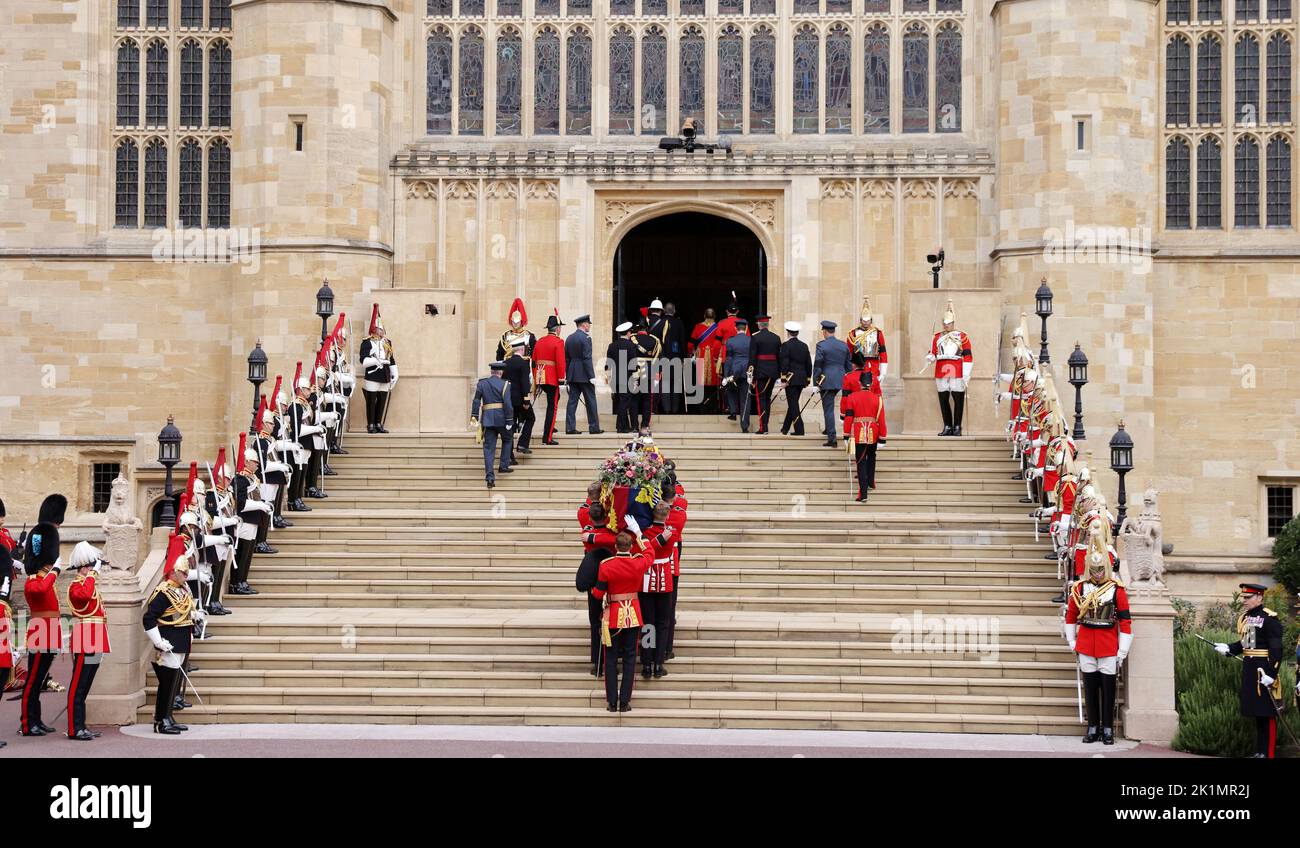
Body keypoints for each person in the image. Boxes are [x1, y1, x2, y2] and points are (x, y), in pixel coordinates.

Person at [1064, 524, 1132, 745]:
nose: (1097, 574)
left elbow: (1125, 620)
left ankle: (1107, 728)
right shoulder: (1080, 588)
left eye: (1100, 570)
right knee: (1091, 687)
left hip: (1108, 642)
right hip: (1086, 642)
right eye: (1094, 571)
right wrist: (1072, 640)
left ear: (1106, 568)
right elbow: (1071, 616)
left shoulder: (1116, 589)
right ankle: (1092, 726)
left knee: (1109, 688)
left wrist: (1122, 649)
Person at [1214, 583, 1285, 758]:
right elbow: (1248, 644)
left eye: (1248, 598)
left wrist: (1271, 674)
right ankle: (1259, 752)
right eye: (1243, 598)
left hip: (1263, 671)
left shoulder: (1269, 619)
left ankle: (1267, 754)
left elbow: (1276, 650)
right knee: (1257, 713)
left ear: (1259, 598)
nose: (1244, 601)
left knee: (1267, 714)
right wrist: (1229, 648)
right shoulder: (1250, 618)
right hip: (1251, 670)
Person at [144, 535, 202, 734]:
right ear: (174, 572)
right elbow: (149, 618)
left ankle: (168, 716)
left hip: (182, 639)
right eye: (183, 571)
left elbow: (181, 611)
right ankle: (160, 721)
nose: (186, 574)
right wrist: (159, 642)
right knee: (167, 684)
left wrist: (194, 614)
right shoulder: (163, 592)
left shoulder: (181, 589)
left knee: (174, 684)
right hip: (169, 641)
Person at [593, 528, 656, 712]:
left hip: (613, 615)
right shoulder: (638, 562)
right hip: (633, 615)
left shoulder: (606, 565)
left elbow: (599, 593)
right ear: (630, 546)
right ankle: (625, 701)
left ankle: (612, 701)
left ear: (615, 546)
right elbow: (650, 552)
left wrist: (593, 592)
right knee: (629, 658)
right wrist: (640, 535)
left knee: (611, 658)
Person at [20, 494, 65, 736]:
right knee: (32, 681)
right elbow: (41, 588)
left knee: (40, 680)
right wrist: (55, 571)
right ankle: (27, 723)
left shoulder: (45, 577)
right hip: (40, 633)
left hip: (49, 633)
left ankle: (36, 720)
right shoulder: (34, 581)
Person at [66, 542, 110, 741]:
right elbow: (83, 597)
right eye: (91, 567)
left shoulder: (87, 584)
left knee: (86, 684)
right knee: (79, 684)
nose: (95, 571)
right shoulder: (76, 586)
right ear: (84, 568)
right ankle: (74, 728)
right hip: (85, 638)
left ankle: (81, 725)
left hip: (96, 637)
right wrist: (92, 575)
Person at [638, 504, 677, 680]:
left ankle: (647, 662)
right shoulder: (670, 531)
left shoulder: (645, 533)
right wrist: (662, 537)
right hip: (664, 580)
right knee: (662, 624)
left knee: (648, 623)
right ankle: (657, 663)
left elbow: (645, 548)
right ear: (667, 515)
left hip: (646, 581)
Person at [579, 503, 617, 677]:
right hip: (611, 583)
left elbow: (590, 538)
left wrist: (593, 538)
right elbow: (613, 541)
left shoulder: (588, 532)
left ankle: (597, 662)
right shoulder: (612, 533)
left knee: (596, 623)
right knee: (611, 623)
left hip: (595, 585)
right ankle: (610, 661)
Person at [925, 300, 973, 436]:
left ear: (953, 323)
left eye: (949, 323)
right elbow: (933, 352)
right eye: (944, 323)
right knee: (943, 397)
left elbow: (968, 355)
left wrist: (966, 373)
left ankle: (957, 426)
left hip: (957, 368)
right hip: (941, 368)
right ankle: (947, 425)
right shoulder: (936, 337)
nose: (946, 326)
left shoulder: (962, 336)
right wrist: (930, 357)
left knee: (958, 397)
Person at [232, 433, 271, 595]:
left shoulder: (252, 478)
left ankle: (243, 580)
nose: (257, 465)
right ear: (247, 462)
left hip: (253, 519)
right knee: (242, 553)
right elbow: (240, 503)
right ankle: (236, 583)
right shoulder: (241, 479)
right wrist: (259, 505)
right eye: (255, 462)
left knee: (248, 554)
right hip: (244, 520)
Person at [842, 372, 887, 503]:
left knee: (861, 461)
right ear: (871, 384)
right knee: (872, 457)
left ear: (859, 383)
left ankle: (863, 493)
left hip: (859, 431)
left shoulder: (852, 397)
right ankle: (871, 482)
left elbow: (849, 418)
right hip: (874, 431)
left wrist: (846, 435)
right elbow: (882, 419)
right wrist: (882, 437)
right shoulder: (878, 398)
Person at [471, 361, 515, 489]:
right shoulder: (505, 384)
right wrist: (509, 420)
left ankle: (490, 477)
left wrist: (474, 417)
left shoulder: (482, 383)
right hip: (502, 418)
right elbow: (507, 404)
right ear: (501, 373)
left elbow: (476, 401)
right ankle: (503, 465)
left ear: (491, 372)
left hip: (488, 419)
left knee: (489, 448)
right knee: (507, 439)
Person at [812, 320, 852, 448]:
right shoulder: (843, 345)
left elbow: (818, 365)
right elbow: (849, 366)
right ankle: (828, 428)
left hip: (827, 380)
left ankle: (832, 438)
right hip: (841, 380)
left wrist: (816, 382)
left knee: (828, 409)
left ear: (824, 332)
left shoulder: (821, 345)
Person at [359, 304, 397, 434]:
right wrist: (377, 360)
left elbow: (391, 359)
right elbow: (363, 361)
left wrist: (395, 373)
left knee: (382, 400)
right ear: (374, 329)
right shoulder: (367, 342)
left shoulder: (387, 342)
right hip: (373, 374)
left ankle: (379, 423)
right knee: (371, 400)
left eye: (383, 328)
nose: (383, 331)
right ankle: (370, 424)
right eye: (380, 328)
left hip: (385, 374)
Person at [563, 315, 602, 435]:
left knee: (572, 402)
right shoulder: (586, 338)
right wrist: (591, 376)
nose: (589, 325)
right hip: (584, 375)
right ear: (584, 324)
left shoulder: (569, 338)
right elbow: (586, 358)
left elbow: (567, 359)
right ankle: (594, 427)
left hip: (573, 374)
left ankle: (570, 427)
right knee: (590, 400)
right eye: (588, 323)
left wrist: (568, 374)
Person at [532, 313, 567, 445]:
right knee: (553, 406)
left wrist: (536, 377)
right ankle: (547, 437)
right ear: (557, 329)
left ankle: (550, 427)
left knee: (552, 403)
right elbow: (560, 362)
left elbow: (534, 361)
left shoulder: (540, 341)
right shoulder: (558, 341)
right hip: (552, 378)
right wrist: (561, 378)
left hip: (541, 377)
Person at [747, 316, 781, 435]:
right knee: (767, 398)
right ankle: (765, 424)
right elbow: (779, 357)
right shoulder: (776, 338)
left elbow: (752, 357)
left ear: (759, 325)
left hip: (760, 372)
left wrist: (750, 374)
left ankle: (763, 427)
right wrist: (779, 374)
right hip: (772, 373)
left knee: (760, 399)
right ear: (767, 324)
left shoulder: (755, 337)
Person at [778, 321, 812, 436]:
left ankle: (799, 429)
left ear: (788, 333)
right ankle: (785, 428)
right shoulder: (804, 345)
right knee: (793, 404)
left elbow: (785, 363)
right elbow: (809, 363)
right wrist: (808, 378)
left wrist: (783, 380)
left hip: (790, 379)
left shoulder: (786, 345)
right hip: (802, 378)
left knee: (793, 404)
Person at [502, 339, 534, 462]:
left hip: (508, 400)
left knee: (511, 426)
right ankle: (522, 444)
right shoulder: (523, 363)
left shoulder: (506, 362)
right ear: (522, 349)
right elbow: (524, 383)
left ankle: (509, 456)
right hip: (520, 400)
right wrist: (526, 401)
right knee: (531, 418)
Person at [688, 308, 725, 414]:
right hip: (715, 358)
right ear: (715, 316)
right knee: (714, 384)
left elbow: (691, 344)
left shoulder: (698, 327)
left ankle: (702, 408)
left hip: (701, 357)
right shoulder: (718, 327)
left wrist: (690, 352)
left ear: (704, 316)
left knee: (701, 384)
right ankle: (713, 407)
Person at [845, 297, 888, 387]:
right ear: (860, 320)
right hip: (857, 367)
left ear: (871, 320)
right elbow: (848, 353)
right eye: (863, 320)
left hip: (873, 366)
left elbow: (883, 352)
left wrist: (883, 372)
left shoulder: (878, 333)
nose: (865, 323)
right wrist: (848, 369)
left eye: (867, 320)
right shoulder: (853, 333)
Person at [607, 322, 638, 433]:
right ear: (628, 333)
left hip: (615, 378)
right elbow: (633, 364)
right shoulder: (631, 345)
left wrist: (609, 378)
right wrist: (635, 380)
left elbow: (608, 365)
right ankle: (620, 427)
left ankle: (624, 426)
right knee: (624, 402)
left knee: (621, 401)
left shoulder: (612, 345)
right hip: (627, 378)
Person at [630, 318, 661, 430]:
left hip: (634, 371)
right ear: (647, 328)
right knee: (647, 399)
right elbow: (657, 358)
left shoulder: (631, 339)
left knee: (634, 399)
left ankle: (634, 426)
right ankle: (644, 424)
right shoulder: (654, 340)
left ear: (637, 329)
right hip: (648, 371)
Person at [723, 318, 751, 428]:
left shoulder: (730, 341)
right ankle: (744, 426)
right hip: (747, 371)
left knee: (730, 390)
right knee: (745, 398)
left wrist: (726, 375)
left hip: (734, 370)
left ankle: (733, 411)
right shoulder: (751, 340)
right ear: (746, 328)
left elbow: (728, 359)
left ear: (735, 328)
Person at [495, 297, 536, 362]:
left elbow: (534, 355)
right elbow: (499, 355)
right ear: (511, 321)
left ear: (521, 321)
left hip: (524, 368)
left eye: (518, 321)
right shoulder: (505, 336)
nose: (515, 324)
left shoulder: (530, 336)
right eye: (513, 321)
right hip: (509, 367)